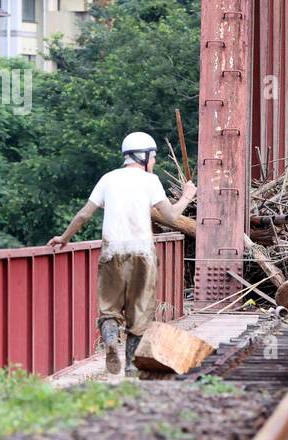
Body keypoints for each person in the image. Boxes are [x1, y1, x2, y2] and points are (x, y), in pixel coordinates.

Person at [48, 132, 196, 375]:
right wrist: (187, 197)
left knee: (109, 309)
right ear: (145, 156)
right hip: (142, 254)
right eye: (154, 156)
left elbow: (84, 214)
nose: (155, 161)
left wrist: (64, 238)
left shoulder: (108, 179)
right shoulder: (150, 181)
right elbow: (171, 217)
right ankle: (130, 365)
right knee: (139, 310)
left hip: (112, 252)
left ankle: (109, 342)